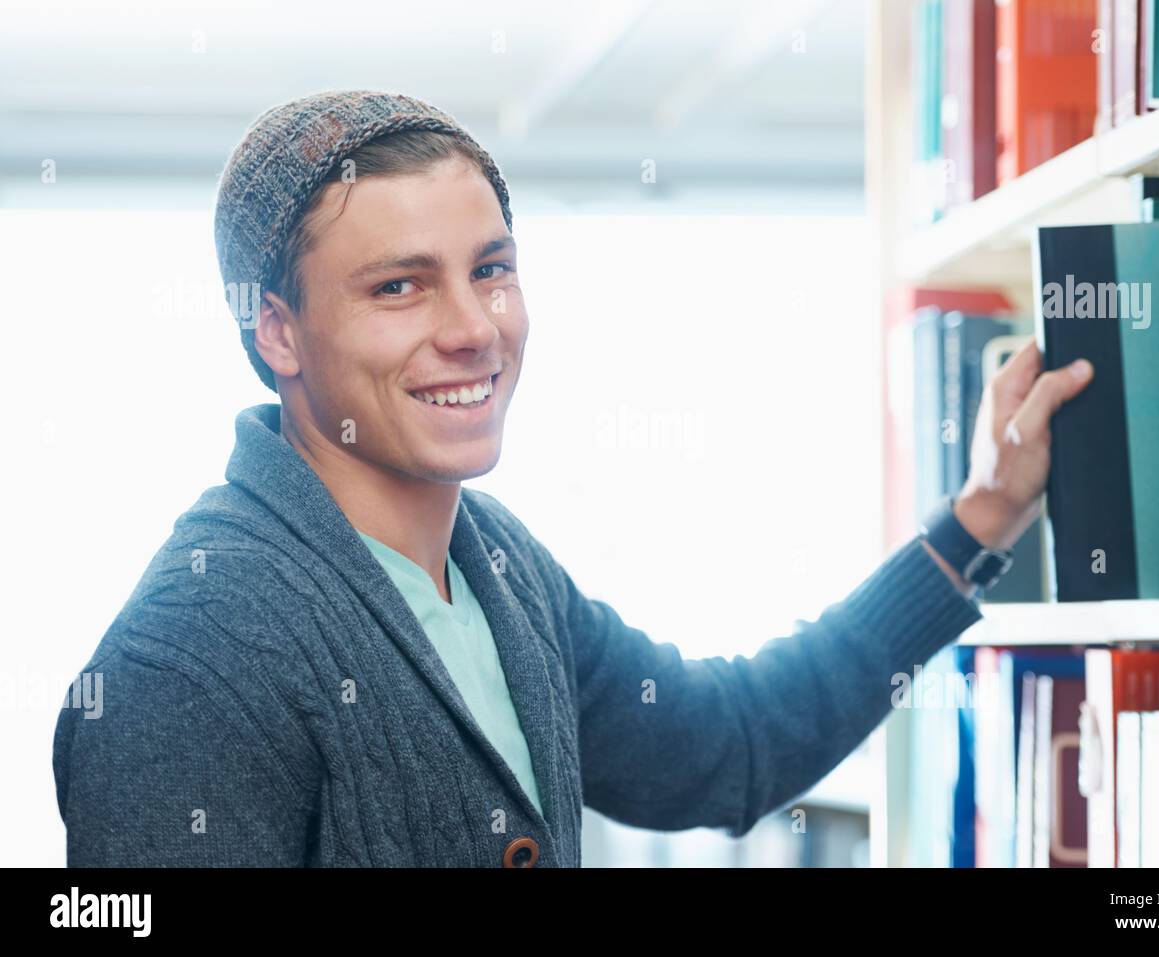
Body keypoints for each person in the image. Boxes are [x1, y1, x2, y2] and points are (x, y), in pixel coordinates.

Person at [52, 90, 1093, 867]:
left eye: (491, 269)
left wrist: (980, 519)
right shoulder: (185, 660)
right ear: (277, 329)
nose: (471, 330)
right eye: (399, 286)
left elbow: (728, 746)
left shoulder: (497, 564)